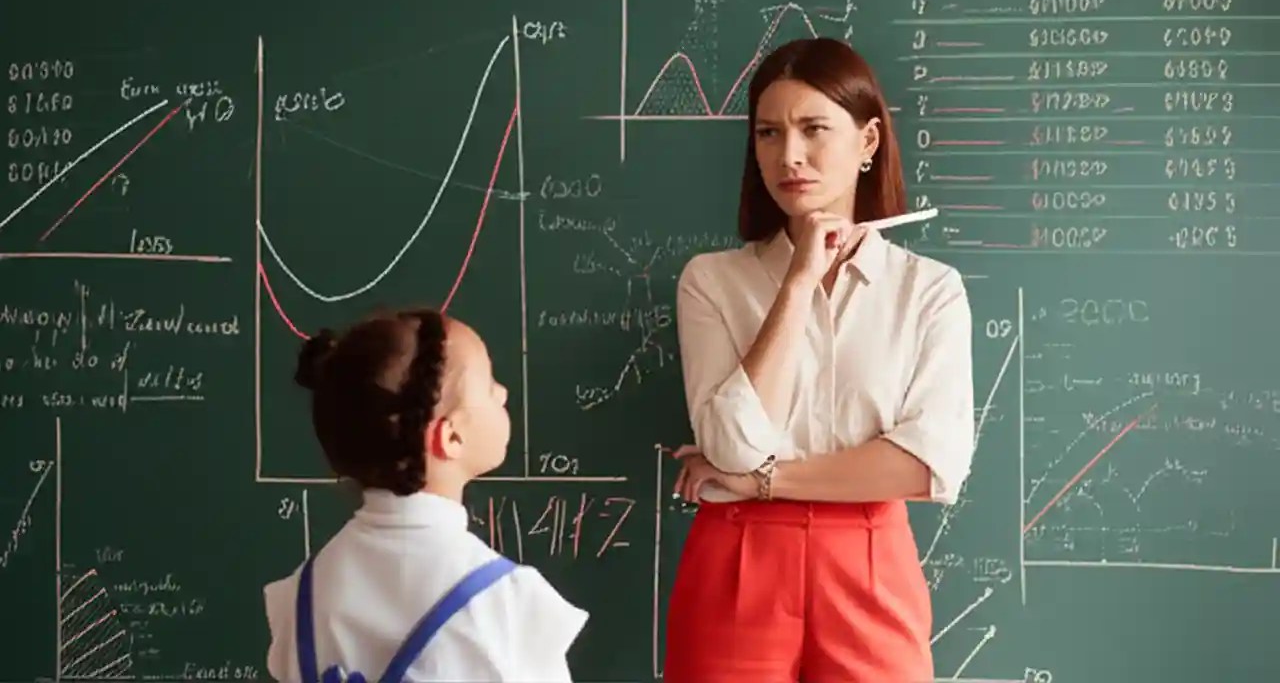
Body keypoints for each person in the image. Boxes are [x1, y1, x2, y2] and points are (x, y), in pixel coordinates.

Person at [663, 37, 975, 682]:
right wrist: (799, 281)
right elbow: (731, 445)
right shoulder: (711, 281)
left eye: (813, 129)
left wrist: (760, 482)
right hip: (737, 563)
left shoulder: (929, 290)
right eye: (768, 133)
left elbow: (927, 465)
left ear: (868, 141)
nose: (789, 156)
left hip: (871, 561)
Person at [262, 307, 588, 682]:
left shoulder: (301, 597)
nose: (503, 393)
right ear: (450, 437)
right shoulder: (507, 605)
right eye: (489, 385)